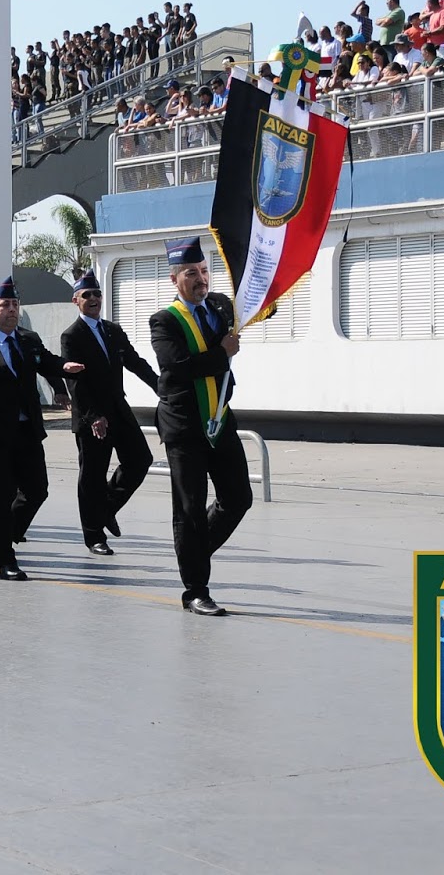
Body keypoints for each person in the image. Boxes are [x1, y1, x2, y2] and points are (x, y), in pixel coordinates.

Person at [0, 277, 79, 580]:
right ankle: (5, 560)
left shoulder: (28, 340)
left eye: (15, 305)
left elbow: (47, 362)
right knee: (0, 495)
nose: (11, 310)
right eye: (5, 305)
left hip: (26, 431)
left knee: (37, 490)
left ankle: (9, 532)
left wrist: (65, 367)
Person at [149, 238, 252, 617]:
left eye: (204, 271)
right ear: (175, 278)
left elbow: (254, 310)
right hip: (184, 426)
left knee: (239, 497)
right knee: (190, 509)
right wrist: (221, 353)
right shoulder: (164, 320)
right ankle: (195, 590)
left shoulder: (219, 309)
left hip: (220, 421)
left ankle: (192, 551)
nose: (200, 278)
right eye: (191, 273)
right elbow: (176, 366)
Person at [59, 271, 159, 555]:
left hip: (118, 408)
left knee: (140, 459)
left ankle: (105, 508)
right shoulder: (72, 336)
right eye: (87, 295)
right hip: (92, 416)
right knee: (92, 475)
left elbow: (134, 361)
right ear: (76, 301)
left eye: (97, 294)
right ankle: (93, 536)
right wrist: (93, 416)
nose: (93, 299)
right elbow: (74, 380)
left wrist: (161, 386)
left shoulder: (113, 331)